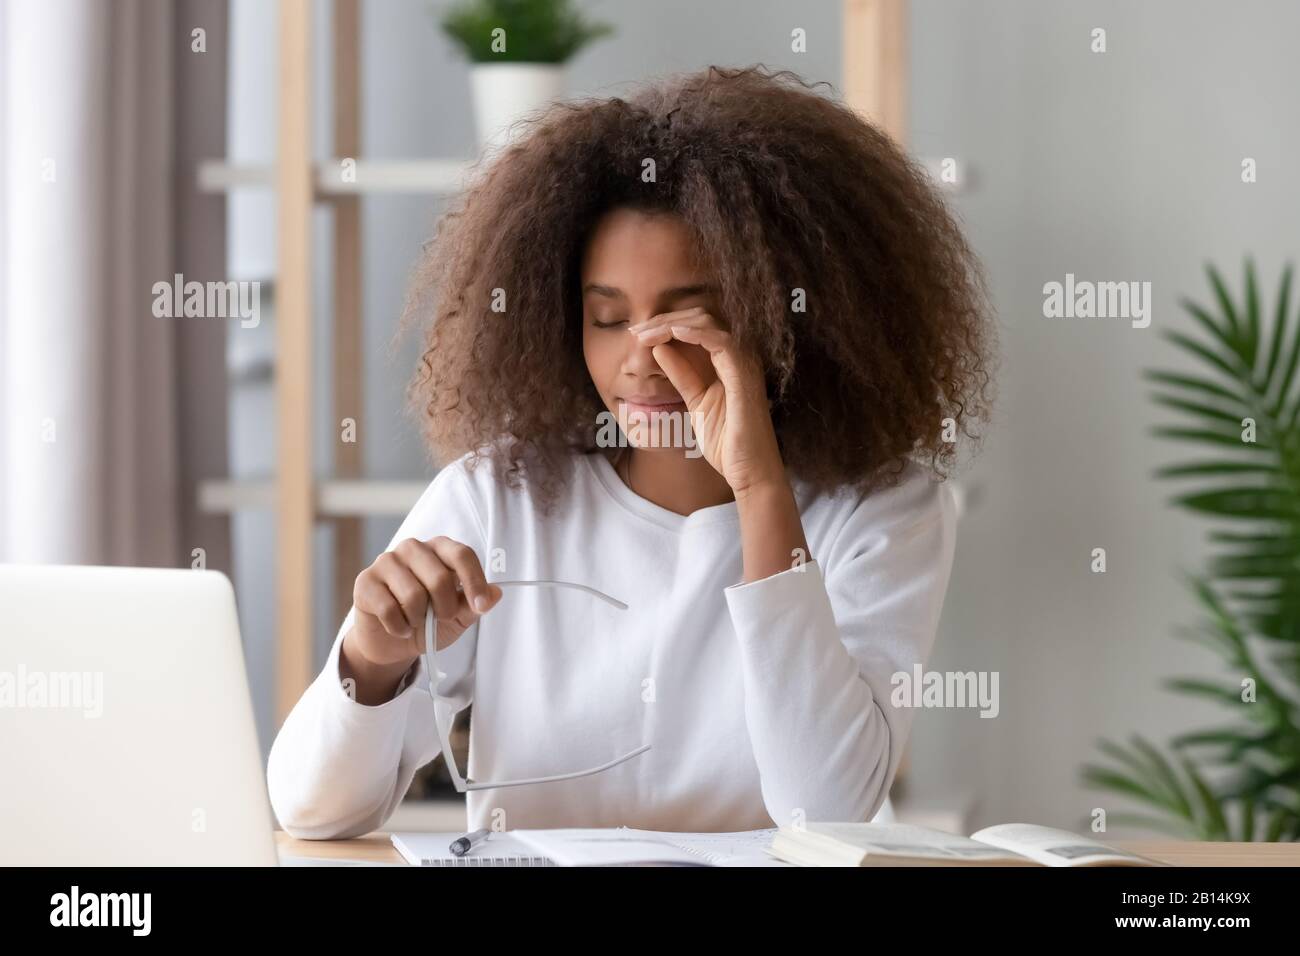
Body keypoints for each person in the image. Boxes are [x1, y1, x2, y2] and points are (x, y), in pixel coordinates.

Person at [267, 66, 997, 838]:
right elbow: (313, 813)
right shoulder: (497, 496)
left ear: (787, 323)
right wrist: (373, 658)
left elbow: (825, 809)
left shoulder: (882, 508)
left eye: (687, 319)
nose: (640, 360)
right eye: (608, 319)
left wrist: (759, 487)